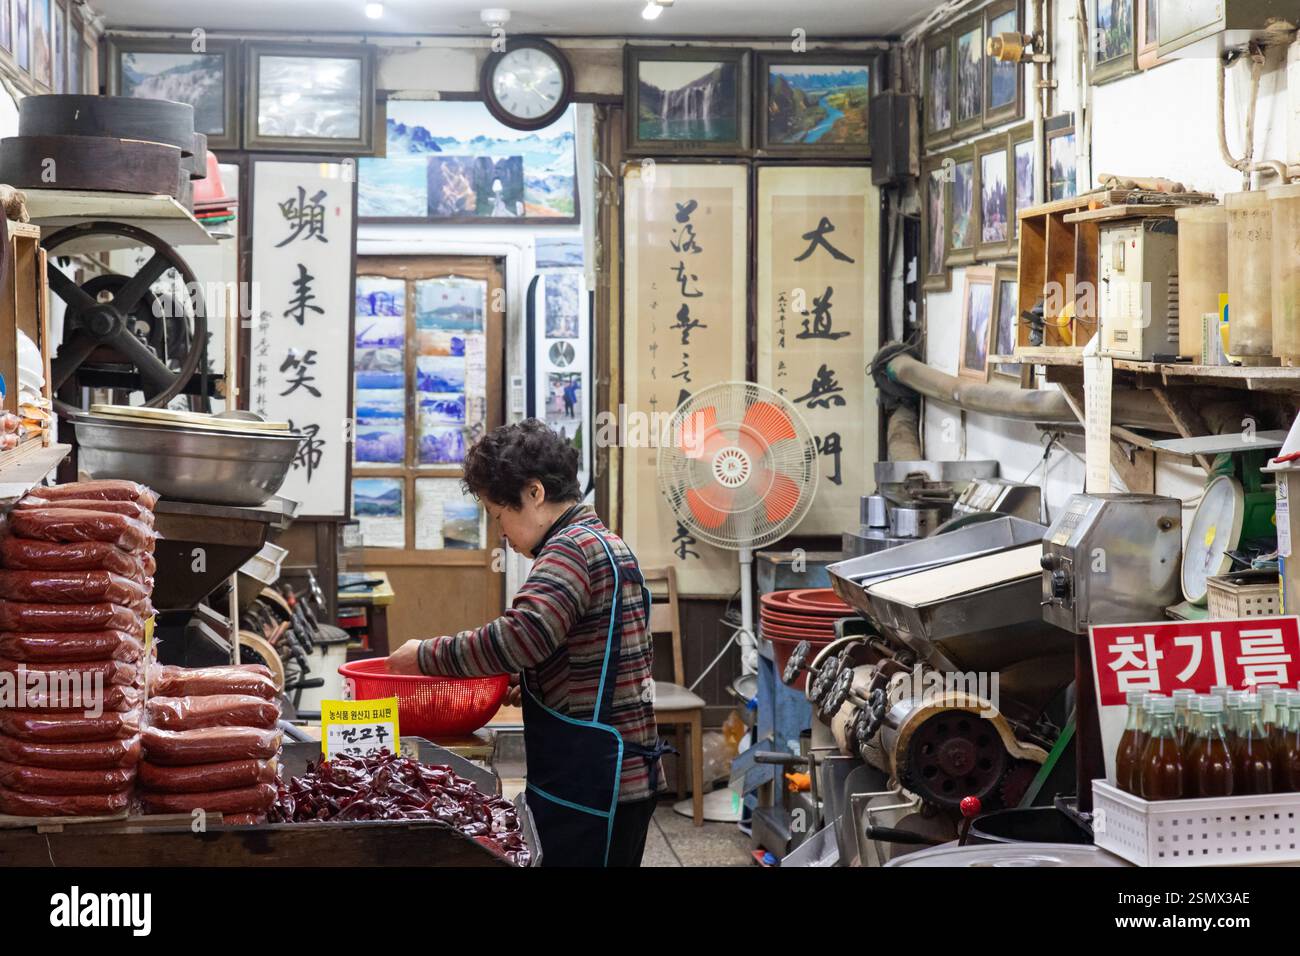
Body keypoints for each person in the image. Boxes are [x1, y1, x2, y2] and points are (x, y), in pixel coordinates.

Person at [388, 419, 665, 867]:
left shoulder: (569, 549)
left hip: (593, 783)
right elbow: (584, 650)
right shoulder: (603, 543)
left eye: (499, 515)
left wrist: (423, 656)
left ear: (534, 493)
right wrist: (533, 679)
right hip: (620, 776)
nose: (501, 533)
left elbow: (522, 636)